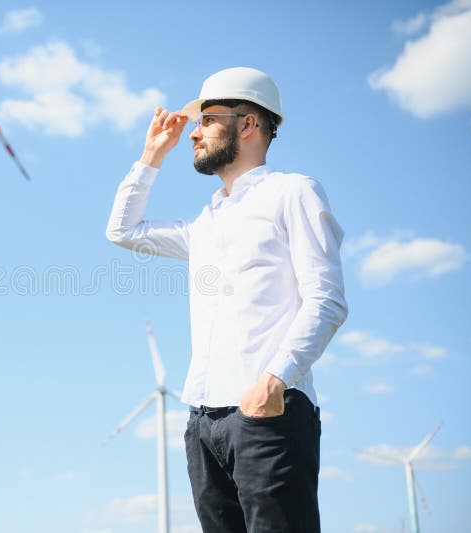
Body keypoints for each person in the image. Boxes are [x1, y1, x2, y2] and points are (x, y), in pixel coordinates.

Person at [105, 67, 348, 532]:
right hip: (203, 423)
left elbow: (327, 299)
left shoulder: (292, 192)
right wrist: (151, 156)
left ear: (250, 124)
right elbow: (123, 231)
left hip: (268, 414)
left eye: (209, 119)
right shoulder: (206, 222)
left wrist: (273, 382)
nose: (195, 132)